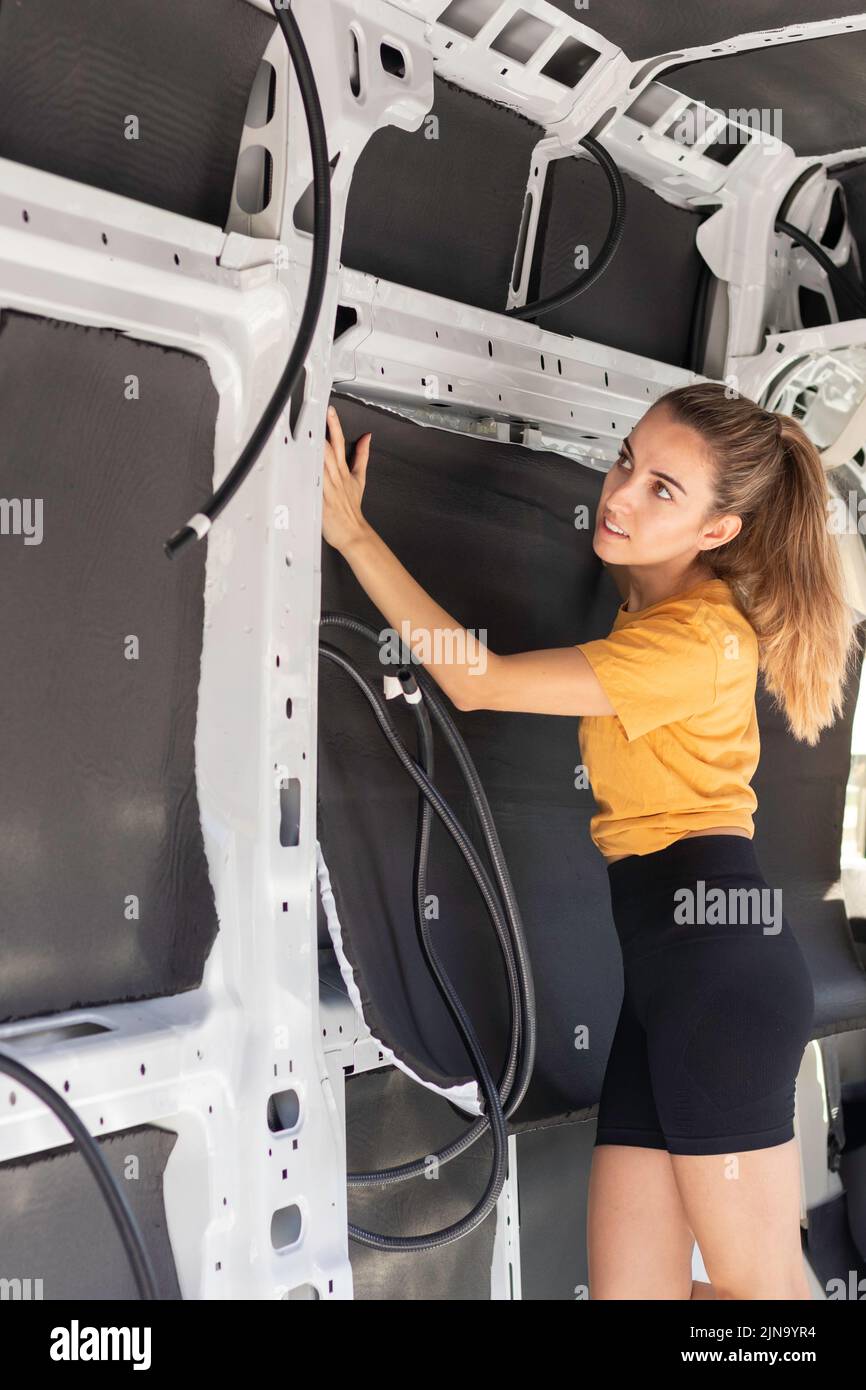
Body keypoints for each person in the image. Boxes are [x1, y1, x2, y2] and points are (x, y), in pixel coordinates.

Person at [320, 382, 860, 1300]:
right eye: (626, 462)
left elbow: (479, 681)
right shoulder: (667, 606)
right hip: (665, 979)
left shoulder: (695, 639)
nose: (620, 495)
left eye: (663, 491)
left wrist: (353, 533)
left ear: (719, 531)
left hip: (716, 979)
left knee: (765, 1305)